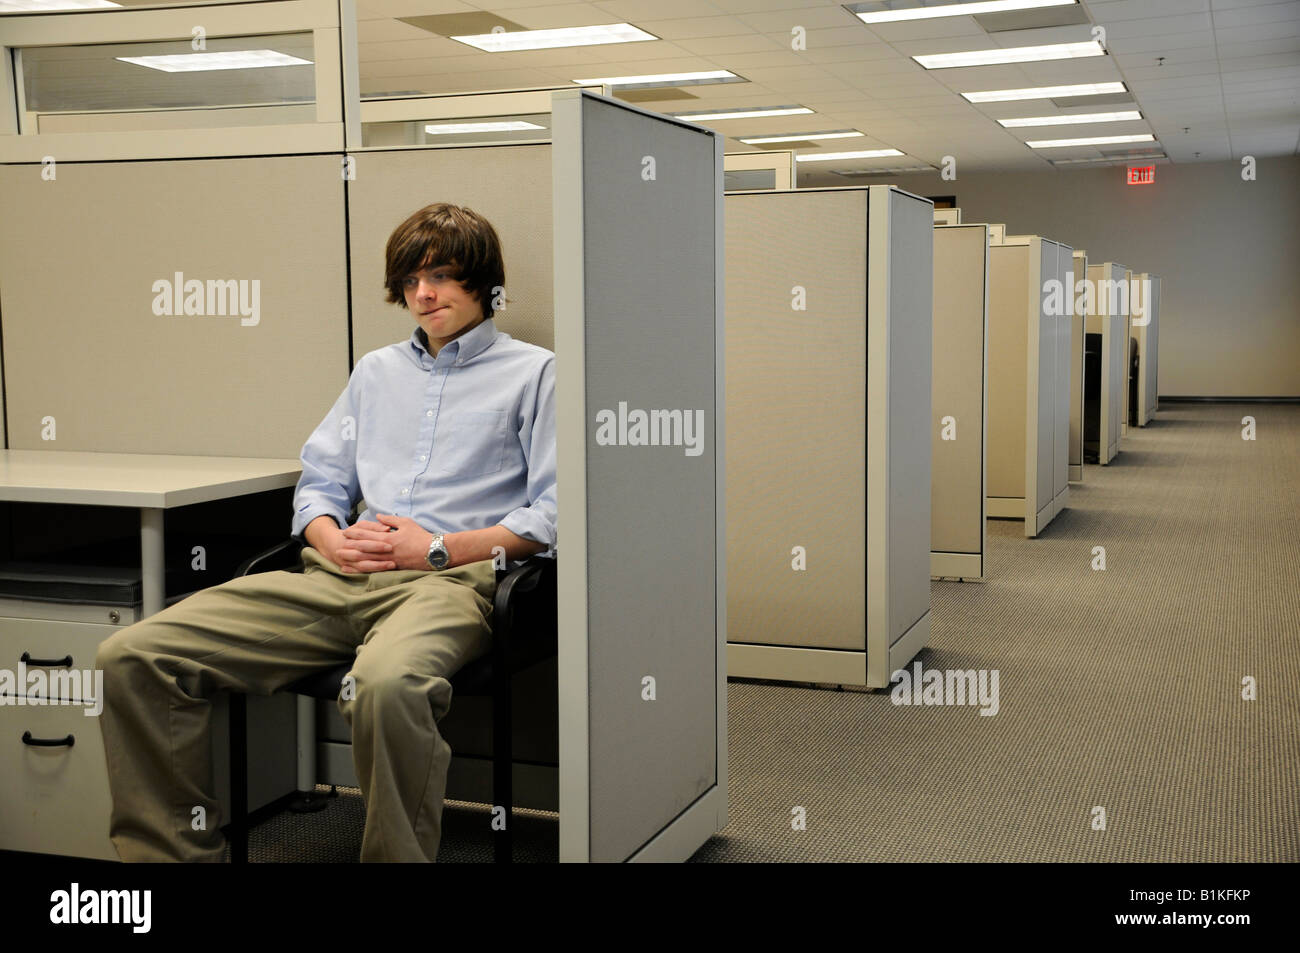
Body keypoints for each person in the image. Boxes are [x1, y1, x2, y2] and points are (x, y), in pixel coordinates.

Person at [95, 203, 557, 862]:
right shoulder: (375, 373)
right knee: (132, 656)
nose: (423, 295)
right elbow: (320, 483)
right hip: (337, 576)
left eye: (443, 276)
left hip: (447, 586)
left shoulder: (535, 373)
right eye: (410, 281)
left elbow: (549, 517)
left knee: (387, 685)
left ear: (483, 281)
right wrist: (328, 536)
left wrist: (432, 547)